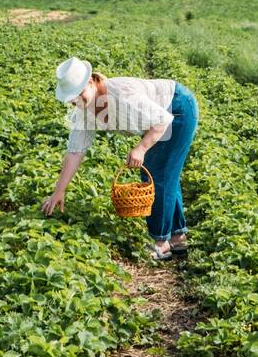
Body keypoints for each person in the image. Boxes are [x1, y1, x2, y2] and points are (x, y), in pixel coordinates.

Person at [40, 56, 199, 261]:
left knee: (158, 174)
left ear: (90, 82)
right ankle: (178, 237)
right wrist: (58, 191)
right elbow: (75, 151)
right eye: (73, 100)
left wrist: (141, 148)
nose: (78, 102)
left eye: (80, 95)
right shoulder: (84, 110)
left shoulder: (121, 95)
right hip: (165, 115)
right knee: (166, 173)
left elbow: (162, 120)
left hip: (177, 110)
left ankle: (161, 242)